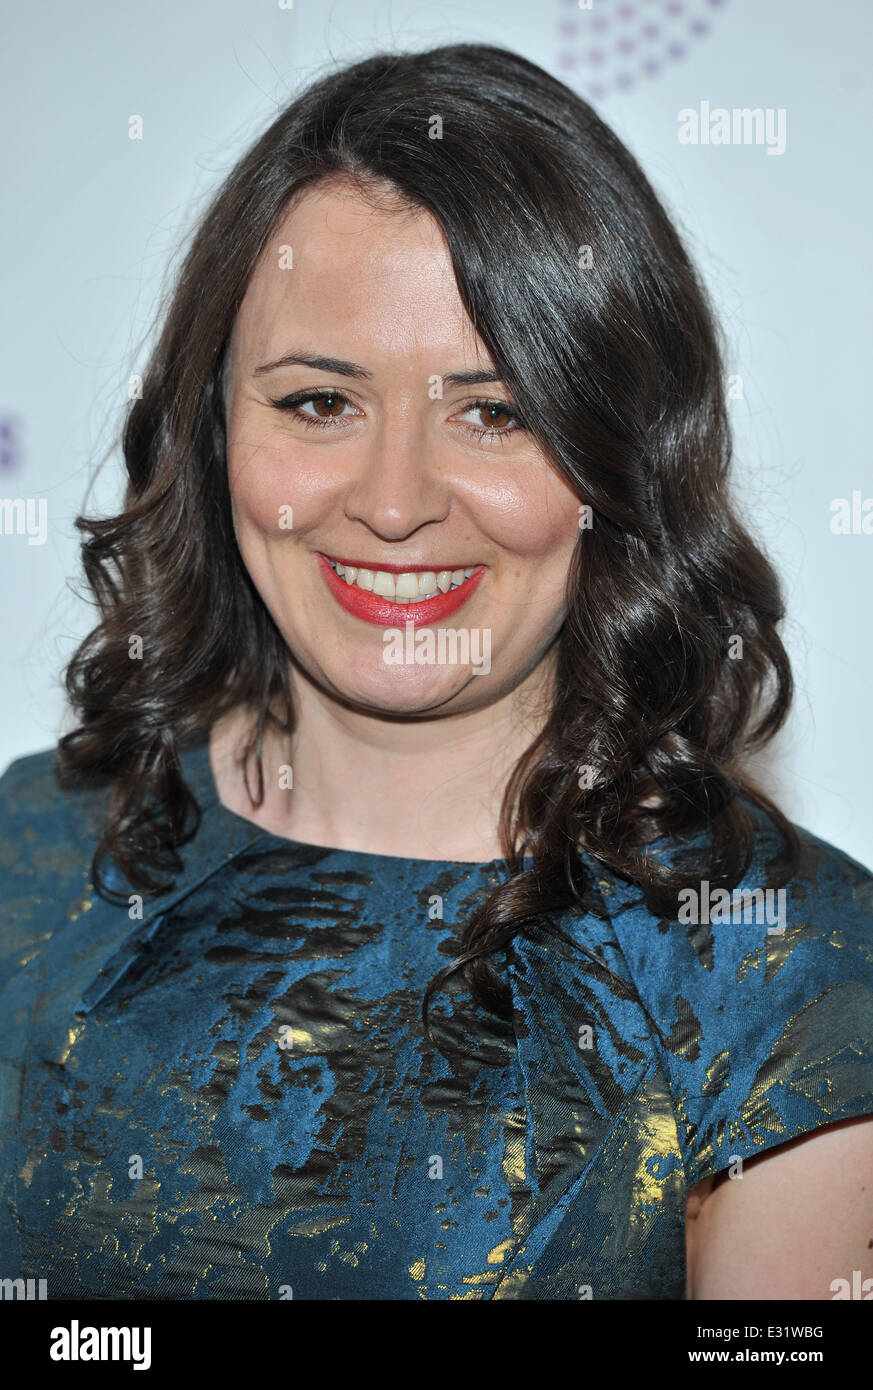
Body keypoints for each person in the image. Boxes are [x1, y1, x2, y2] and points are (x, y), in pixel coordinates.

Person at [1, 42, 871, 1302]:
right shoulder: (26, 862)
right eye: (317, 403)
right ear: (211, 429)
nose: (395, 504)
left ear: (617, 457)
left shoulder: (789, 977)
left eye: (496, 411)